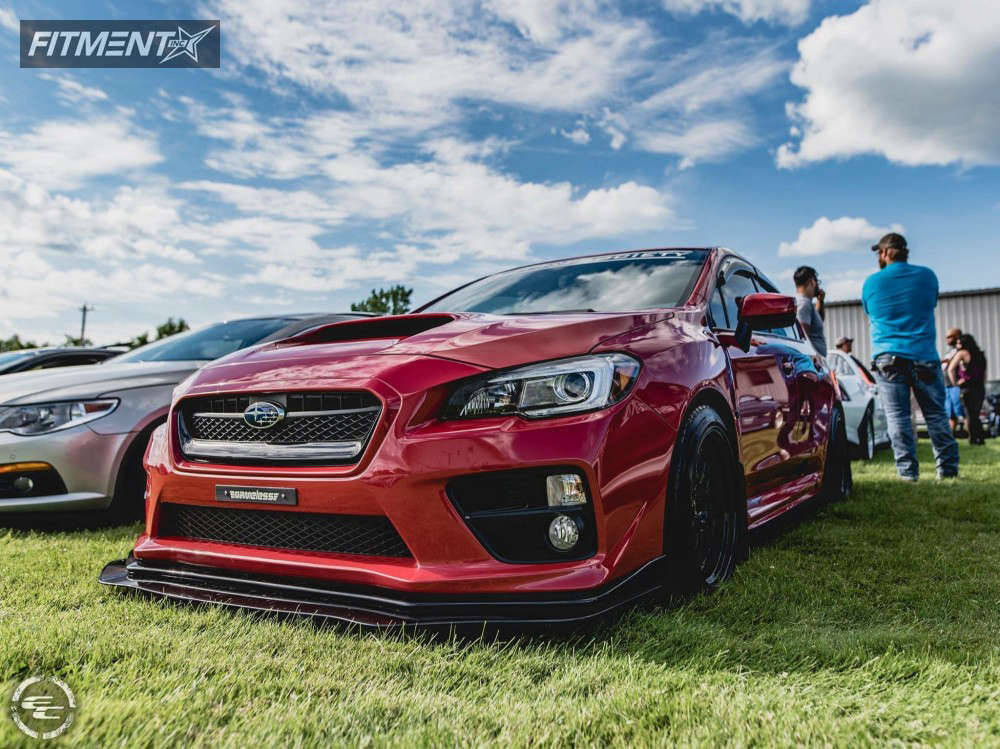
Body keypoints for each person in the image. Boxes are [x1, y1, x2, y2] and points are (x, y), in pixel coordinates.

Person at [862, 232, 959, 481]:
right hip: (923, 355)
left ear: (884, 253)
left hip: (888, 358)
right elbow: (929, 304)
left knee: (898, 417)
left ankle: (908, 474)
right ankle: (947, 471)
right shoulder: (927, 276)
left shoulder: (872, 283)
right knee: (936, 414)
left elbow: (871, 313)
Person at [947, 333, 987, 445]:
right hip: (979, 387)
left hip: (967, 387)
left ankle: (973, 439)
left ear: (964, 343)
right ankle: (981, 438)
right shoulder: (980, 354)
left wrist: (955, 383)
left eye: (959, 343)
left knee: (969, 415)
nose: (957, 344)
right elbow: (984, 373)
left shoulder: (962, 353)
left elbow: (951, 369)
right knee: (975, 414)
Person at [794, 265, 826, 355]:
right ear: (812, 281)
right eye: (817, 281)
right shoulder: (804, 304)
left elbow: (819, 320)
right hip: (813, 362)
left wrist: (820, 301)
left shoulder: (806, 304)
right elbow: (803, 338)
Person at [942, 327, 966, 435]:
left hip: (956, 386)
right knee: (950, 413)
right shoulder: (950, 351)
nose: (947, 339)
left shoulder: (962, 350)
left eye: (950, 337)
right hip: (947, 386)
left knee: (962, 412)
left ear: (957, 337)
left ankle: (973, 436)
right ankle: (950, 436)